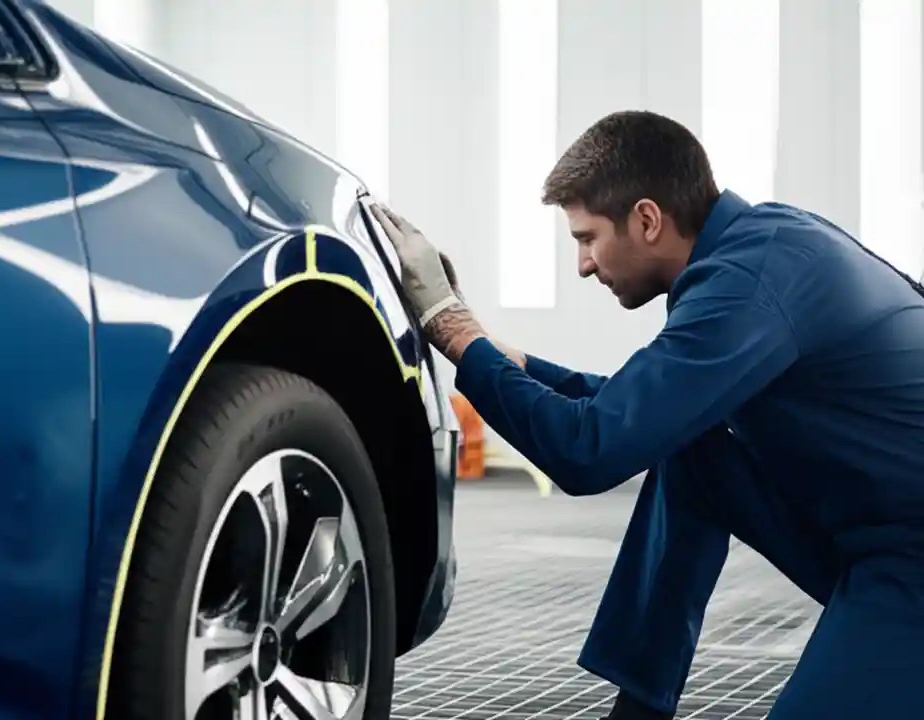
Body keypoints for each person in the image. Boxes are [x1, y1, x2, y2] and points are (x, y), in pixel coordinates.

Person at [370, 109, 924, 720]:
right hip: (872, 526)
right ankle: (639, 711)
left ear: (647, 219)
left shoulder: (747, 285)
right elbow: (638, 412)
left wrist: (452, 330)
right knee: (686, 443)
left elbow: (589, 452)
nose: (582, 264)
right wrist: (502, 357)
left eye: (586, 238)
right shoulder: (759, 251)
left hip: (907, 557)